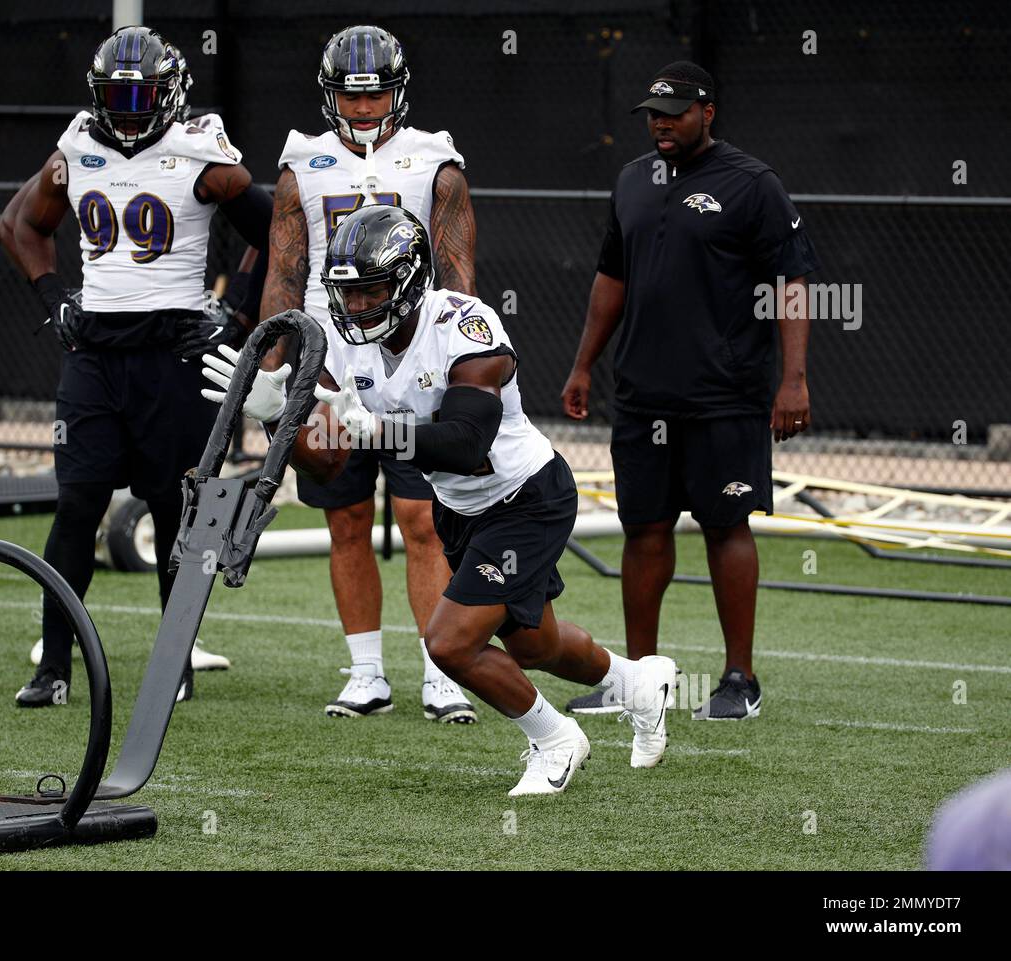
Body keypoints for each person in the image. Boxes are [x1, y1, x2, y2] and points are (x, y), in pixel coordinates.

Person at [201, 205, 676, 794]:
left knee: (450, 643)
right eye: (345, 293)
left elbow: (466, 442)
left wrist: (375, 432)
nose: (354, 307)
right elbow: (326, 468)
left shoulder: (464, 326)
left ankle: (555, 739)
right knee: (535, 645)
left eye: (369, 290)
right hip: (461, 508)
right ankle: (636, 684)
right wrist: (283, 422)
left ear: (407, 281)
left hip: (525, 495)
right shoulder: (345, 344)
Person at [0, 25, 271, 707]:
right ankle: (53, 667)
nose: (124, 109)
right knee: (75, 504)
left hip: (175, 352)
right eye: (113, 95)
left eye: (137, 94)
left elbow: (281, 234)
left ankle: (172, 664)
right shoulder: (78, 148)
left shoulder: (202, 154)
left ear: (170, 94)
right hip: (95, 353)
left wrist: (236, 313)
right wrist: (53, 297)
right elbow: (19, 223)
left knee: (175, 508)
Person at [560, 62, 818, 720]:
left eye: (673, 112)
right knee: (642, 529)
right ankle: (639, 679)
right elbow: (610, 278)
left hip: (725, 393)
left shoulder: (752, 183)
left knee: (725, 525)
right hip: (642, 392)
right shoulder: (632, 180)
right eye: (652, 113)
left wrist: (793, 378)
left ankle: (740, 678)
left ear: (709, 111)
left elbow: (792, 282)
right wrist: (584, 362)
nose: (660, 123)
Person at [258, 24, 479, 722]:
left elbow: (459, 279)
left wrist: (458, 365)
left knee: (423, 518)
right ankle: (365, 673)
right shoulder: (303, 165)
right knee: (347, 519)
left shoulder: (433, 161)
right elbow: (284, 273)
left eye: (375, 93)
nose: (362, 109)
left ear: (398, 90)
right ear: (329, 97)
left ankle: (440, 670)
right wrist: (269, 371)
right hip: (328, 370)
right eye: (351, 97)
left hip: (410, 365)